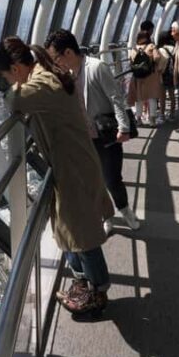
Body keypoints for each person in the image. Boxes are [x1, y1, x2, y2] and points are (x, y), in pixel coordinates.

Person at [0, 36, 113, 314]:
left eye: (9, 77)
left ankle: (99, 290)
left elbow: (13, 99)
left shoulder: (42, 84)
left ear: (15, 68)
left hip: (72, 165)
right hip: (73, 161)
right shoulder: (47, 73)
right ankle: (85, 281)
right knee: (71, 227)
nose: (14, 83)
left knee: (82, 232)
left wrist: (13, 89)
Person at [45, 29, 140, 234]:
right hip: (83, 138)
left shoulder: (96, 68)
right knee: (92, 180)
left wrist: (123, 128)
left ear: (68, 53)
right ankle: (106, 216)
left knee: (112, 178)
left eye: (56, 58)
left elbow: (116, 98)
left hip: (106, 136)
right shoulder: (67, 75)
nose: (56, 63)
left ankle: (125, 211)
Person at [129, 30, 167, 127]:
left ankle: (138, 120)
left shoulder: (134, 48)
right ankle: (152, 121)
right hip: (151, 75)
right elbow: (157, 57)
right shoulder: (151, 46)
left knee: (139, 99)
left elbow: (131, 61)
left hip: (138, 76)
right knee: (152, 98)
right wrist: (153, 64)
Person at [156, 31, 176, 120]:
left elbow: (159, 64)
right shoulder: (174, 48)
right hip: (172, 74)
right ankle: (172, 114)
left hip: (162, 75)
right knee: (172, 95)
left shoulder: (161, 49)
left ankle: (162, 115)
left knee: (162, 96)